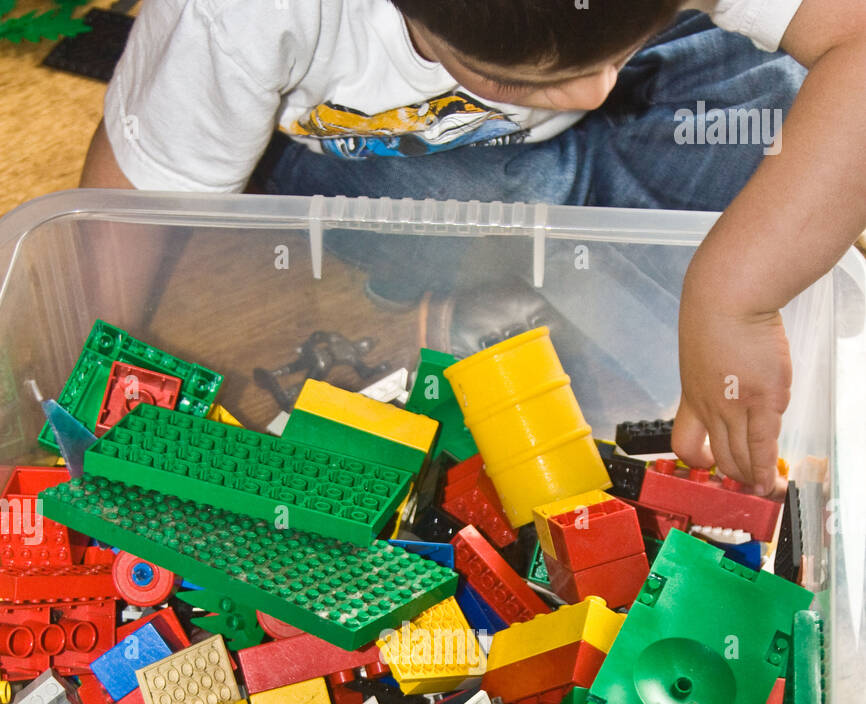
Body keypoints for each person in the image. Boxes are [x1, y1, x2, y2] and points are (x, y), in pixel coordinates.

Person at [80, 0, 863, 493]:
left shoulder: (592, 61)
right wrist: (94, 375)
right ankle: (540, 244)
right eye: (512, 78)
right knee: (500, 204)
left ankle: (585, 188)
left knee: (782, 106)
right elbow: (131, 207)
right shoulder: (232, 18)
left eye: (607, 60)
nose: (592, 90)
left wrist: (735, 291)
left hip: (643, 61)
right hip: (398, 150)